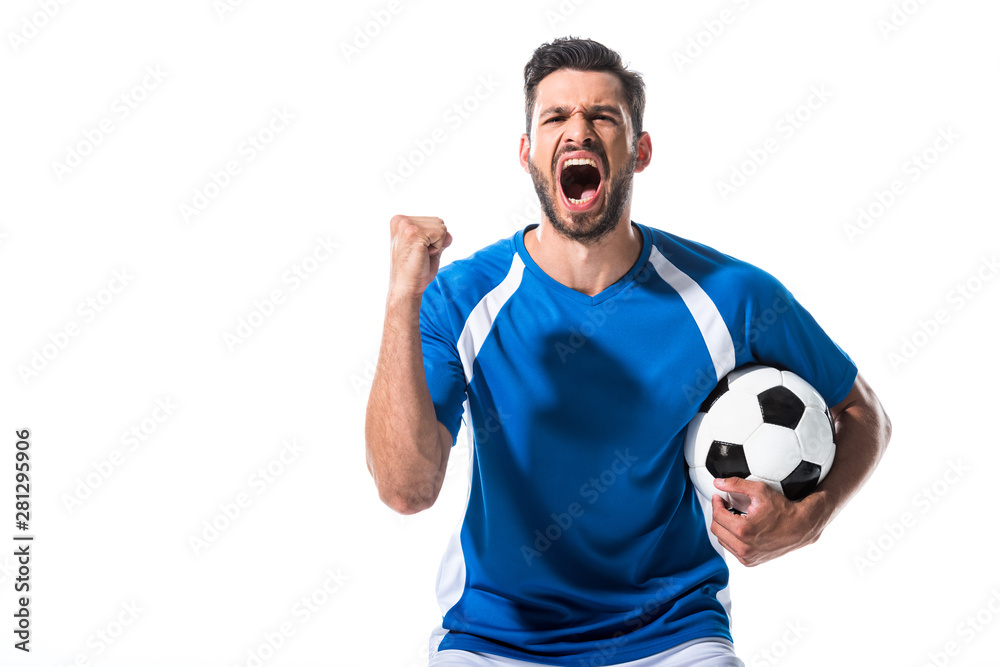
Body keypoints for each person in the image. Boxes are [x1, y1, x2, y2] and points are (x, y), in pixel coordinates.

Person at [365, 37, 891, 667]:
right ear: (527, 151)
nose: (578, 131)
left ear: (639, 152)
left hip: (674, 635)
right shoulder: (461, 298)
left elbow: (865, 415)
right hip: (496, 638)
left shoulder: (729, 295)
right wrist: (402, 298)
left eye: (603, 117)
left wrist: (812, 516)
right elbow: (406, 489)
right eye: (555, 117)